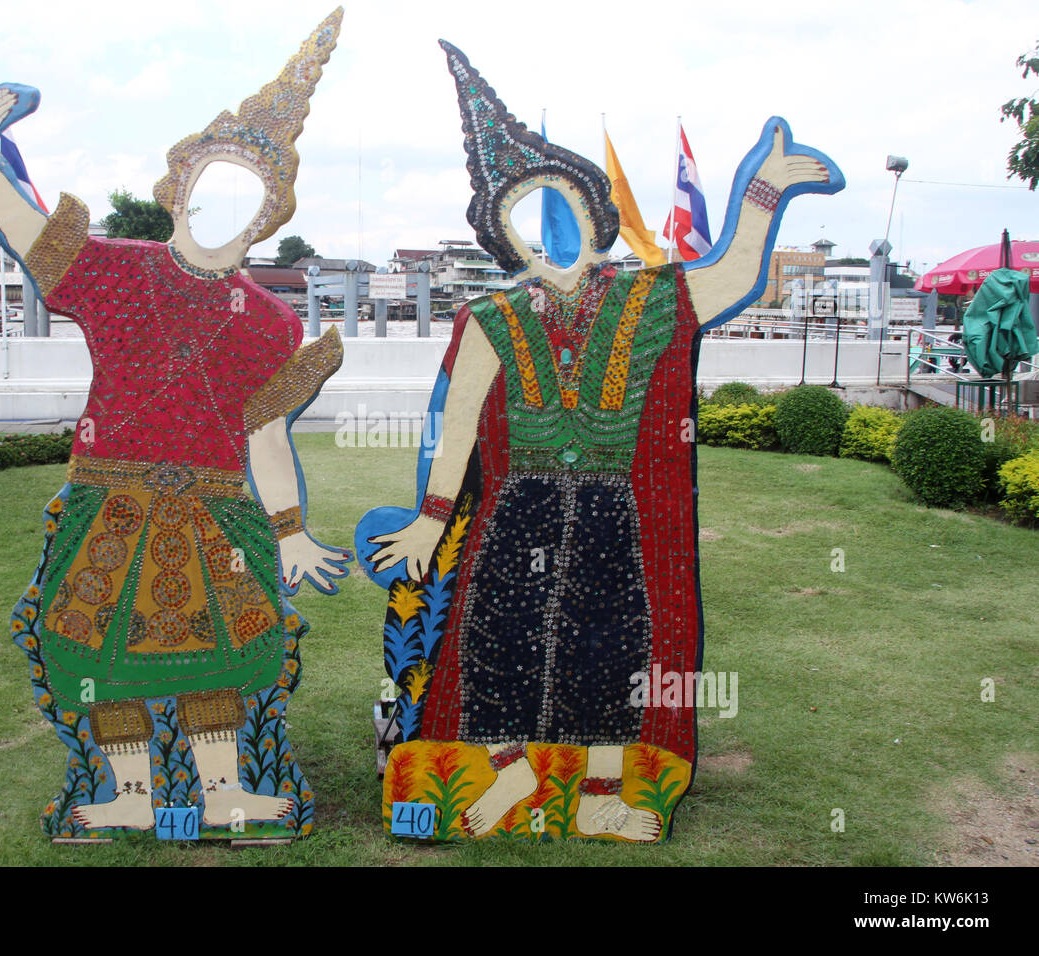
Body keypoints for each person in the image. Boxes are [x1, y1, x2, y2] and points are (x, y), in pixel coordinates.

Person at [360, 41, 843, 842]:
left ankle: (603, 796)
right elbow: (459, 422)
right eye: (524, 216)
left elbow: (730, 275)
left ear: (594, 211)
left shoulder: (649, 298)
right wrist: (431, 515)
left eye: (560, 207)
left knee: (613, 644)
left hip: (613, 508)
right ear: (503, 238)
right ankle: (510, 770)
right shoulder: (490, 320)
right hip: (520, 503)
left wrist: (766, 188)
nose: (547, 232)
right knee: (495, 640)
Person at [0, 9, 349, 835]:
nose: (223, 209)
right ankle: (129, 798)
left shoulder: (270, 322)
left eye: (249, 198)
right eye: (211, 187)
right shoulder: (116, 272)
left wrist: (288, 529)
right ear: (178, 192)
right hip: (111, 499)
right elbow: (30, 235)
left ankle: (222, 794)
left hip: (215, 508)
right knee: (95, 652)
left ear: (267, 219)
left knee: (231, 653)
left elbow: (264, 434)